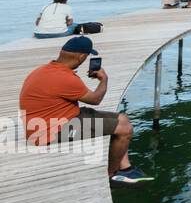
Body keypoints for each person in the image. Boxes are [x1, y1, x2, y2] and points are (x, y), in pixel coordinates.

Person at [19, 36, 150, 183]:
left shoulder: (45, 70)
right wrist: (103, 79)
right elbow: (95, 99)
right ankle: (112, 175)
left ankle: (125, 168)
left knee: (123, 119)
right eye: (87, 56)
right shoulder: (65, 78)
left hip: (61, 117)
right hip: (49, 132)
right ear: (81, 57)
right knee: (124, 129)